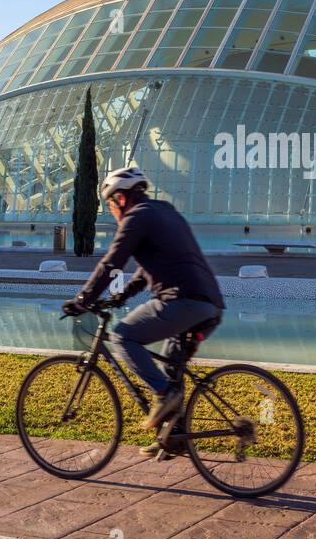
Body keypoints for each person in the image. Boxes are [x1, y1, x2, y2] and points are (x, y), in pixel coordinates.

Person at [62, 166, 224, 455]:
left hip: (181, 299)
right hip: (209, 305)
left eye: (110, 204)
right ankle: (174, 438)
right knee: (170, 367)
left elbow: (111, 262)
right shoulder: (164, 211)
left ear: (121, 199)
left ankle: (163, 394)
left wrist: (84, 299)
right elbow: (145, 268)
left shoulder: (136, 217)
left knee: (123, 336)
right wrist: (122, 295)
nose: (111, 210)